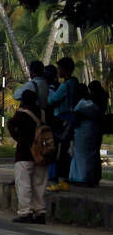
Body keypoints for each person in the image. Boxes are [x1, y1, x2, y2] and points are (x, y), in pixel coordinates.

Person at [7, 88, 48, 223]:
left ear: (23, 100)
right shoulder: (43, 113)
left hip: (24, 152)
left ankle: (25, 212)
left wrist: (18, 138)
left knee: (24, 184)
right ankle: (40, 212)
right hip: (41, 153)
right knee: (39, 184)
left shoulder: (21, 113)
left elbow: (10, 124)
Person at [47, 57, 78, 191]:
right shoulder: (74, 83)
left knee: (60, 151)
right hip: (71, 118)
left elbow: (52, 100)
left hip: (62, 119)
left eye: (60, 68)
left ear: (64, 70)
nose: (58, 71)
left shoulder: (65, 85)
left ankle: (60, 178)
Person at [70, 83, 102, 187]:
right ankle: (84, 177)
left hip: (83, 132)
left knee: (81, 155)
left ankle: (82, 178)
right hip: (90, 131)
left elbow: (77, 118)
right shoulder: (92, 104)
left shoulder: (84, 104)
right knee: (87, 155)